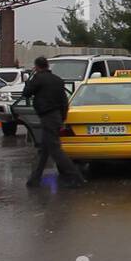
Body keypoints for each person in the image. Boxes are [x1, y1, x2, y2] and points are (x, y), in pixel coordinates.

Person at [21, 56, 86, 188]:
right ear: (47, 66)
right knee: (44, 149)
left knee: (55, 149)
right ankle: (34, 179)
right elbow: (64, 102)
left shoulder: (38, 78)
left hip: (47, 116)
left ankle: (76, 177)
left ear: (37, 66)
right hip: (56, 116)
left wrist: (29, 80)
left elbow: (26, 93)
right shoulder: (57, 80)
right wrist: (62, 118)